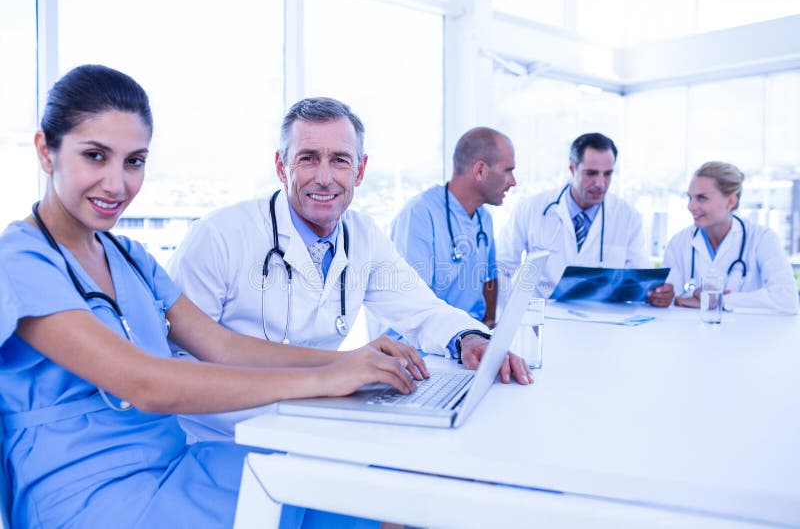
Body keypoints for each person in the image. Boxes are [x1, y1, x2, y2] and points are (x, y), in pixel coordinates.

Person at [0, 64, 428, 528]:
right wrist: (325, 380)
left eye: (134, 161)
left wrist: (349, 362)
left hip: (175, 463)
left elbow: (221, 345)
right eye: (95, 156)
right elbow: (148, 385)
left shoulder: (128, 256)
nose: (117, 184)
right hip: (88, 496)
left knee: (381, 501)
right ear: (46, 151)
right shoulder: (19, 262)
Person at [167, 97, 532, 442]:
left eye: (340, 160)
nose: (325, 178)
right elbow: (178, 363)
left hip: (318, 423)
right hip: (224, 436)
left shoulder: (363, 236)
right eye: (308, 159)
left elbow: (422, 309)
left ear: (360, 170)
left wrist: (469, 338)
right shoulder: (219, 236)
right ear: (281, 167)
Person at [496, 132, 674, 307]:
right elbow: (503, 267)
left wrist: (656, 294)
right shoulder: (531, 209)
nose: (600, 183)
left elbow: (640, 280)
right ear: (572, 168)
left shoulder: (628, 217)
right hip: (546, 319)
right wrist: (512, 316)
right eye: (591, 173)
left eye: (607, 174)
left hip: (604, 322)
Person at [389, 127, 516, 328]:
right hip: (419, 347)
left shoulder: (484, 218)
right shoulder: (419, 215)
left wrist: (487, 326)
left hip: (467, 337)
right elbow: (412, 303)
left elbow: (489, 279)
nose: (513, 182)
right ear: (480, 170)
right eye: (507, 171)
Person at [663, 161, 799, 314]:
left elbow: (787, 299)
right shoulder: (679, 243)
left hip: (746, 336)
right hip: (691, 335)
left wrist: (718, 300)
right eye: (690, 198)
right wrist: (662, 297)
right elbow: (673, 299)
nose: (691, 206)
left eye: (702, 198)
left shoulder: (762, 239)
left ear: (731, 201)